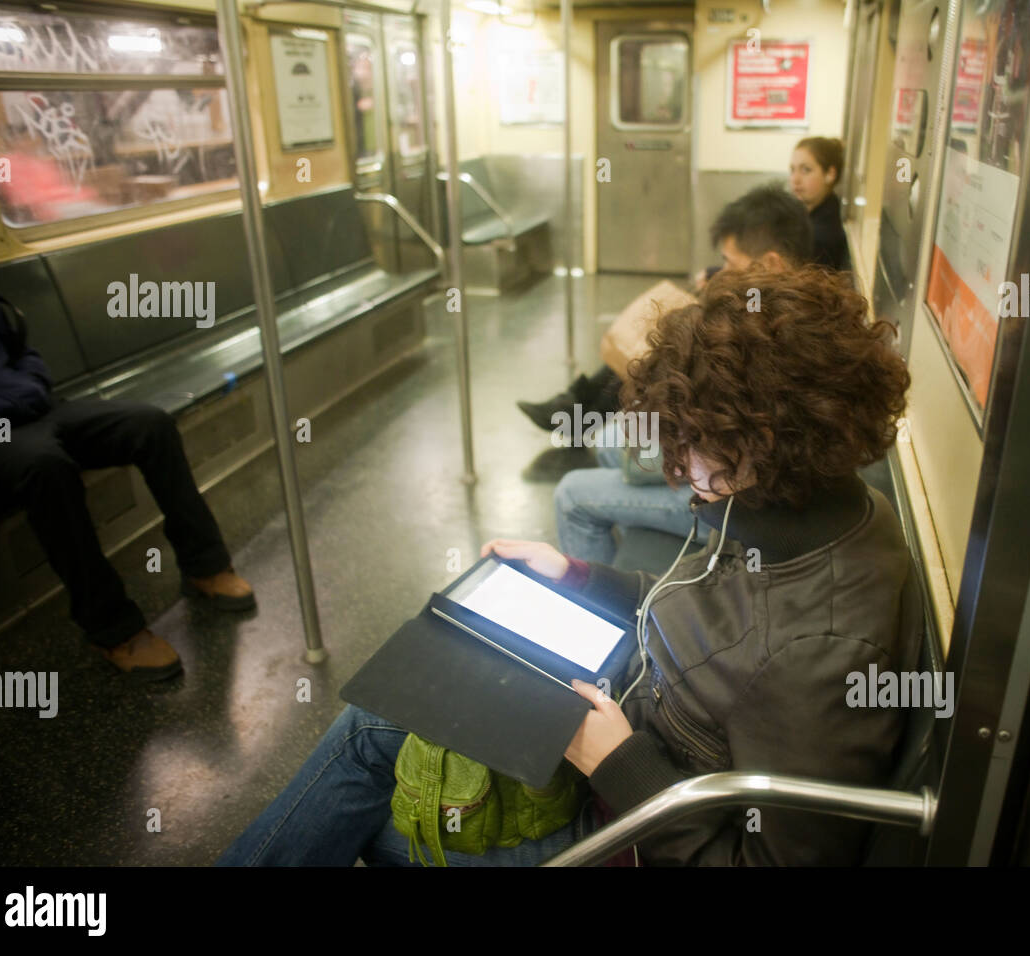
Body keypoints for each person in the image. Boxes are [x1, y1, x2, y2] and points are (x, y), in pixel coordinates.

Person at [218, 264, 917, 866]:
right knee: (377, 720)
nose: (678, 468)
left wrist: (616, 763)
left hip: (627, 820)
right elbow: (711, 612)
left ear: (763, 442)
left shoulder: (819, 650)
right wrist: (577, 577)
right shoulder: (813, 507)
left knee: (381, 820)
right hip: (632, 723)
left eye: (694, 444)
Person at [0, 275, 255, 682]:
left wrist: (31, 384)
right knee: (46, 469)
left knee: (151, 425)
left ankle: (205, 564)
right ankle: (113, 629)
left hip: (37, 409)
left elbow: (20, 346)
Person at [554, 184, 813, 564]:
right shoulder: (789, 310)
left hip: (747, 507)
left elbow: (721, 445)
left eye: (730, 263)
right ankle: (646, 550)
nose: (724, 273)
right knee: (612, 440)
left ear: (770, 264)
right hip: (746, 475)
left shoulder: (772, 336)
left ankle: (607, 604)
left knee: (571, 493)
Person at [790, 136, 854, 273]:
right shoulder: (817, 211)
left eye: (806, 170)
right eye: (792, 170)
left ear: (830, 174)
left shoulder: (821, 236)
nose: (795, 179)